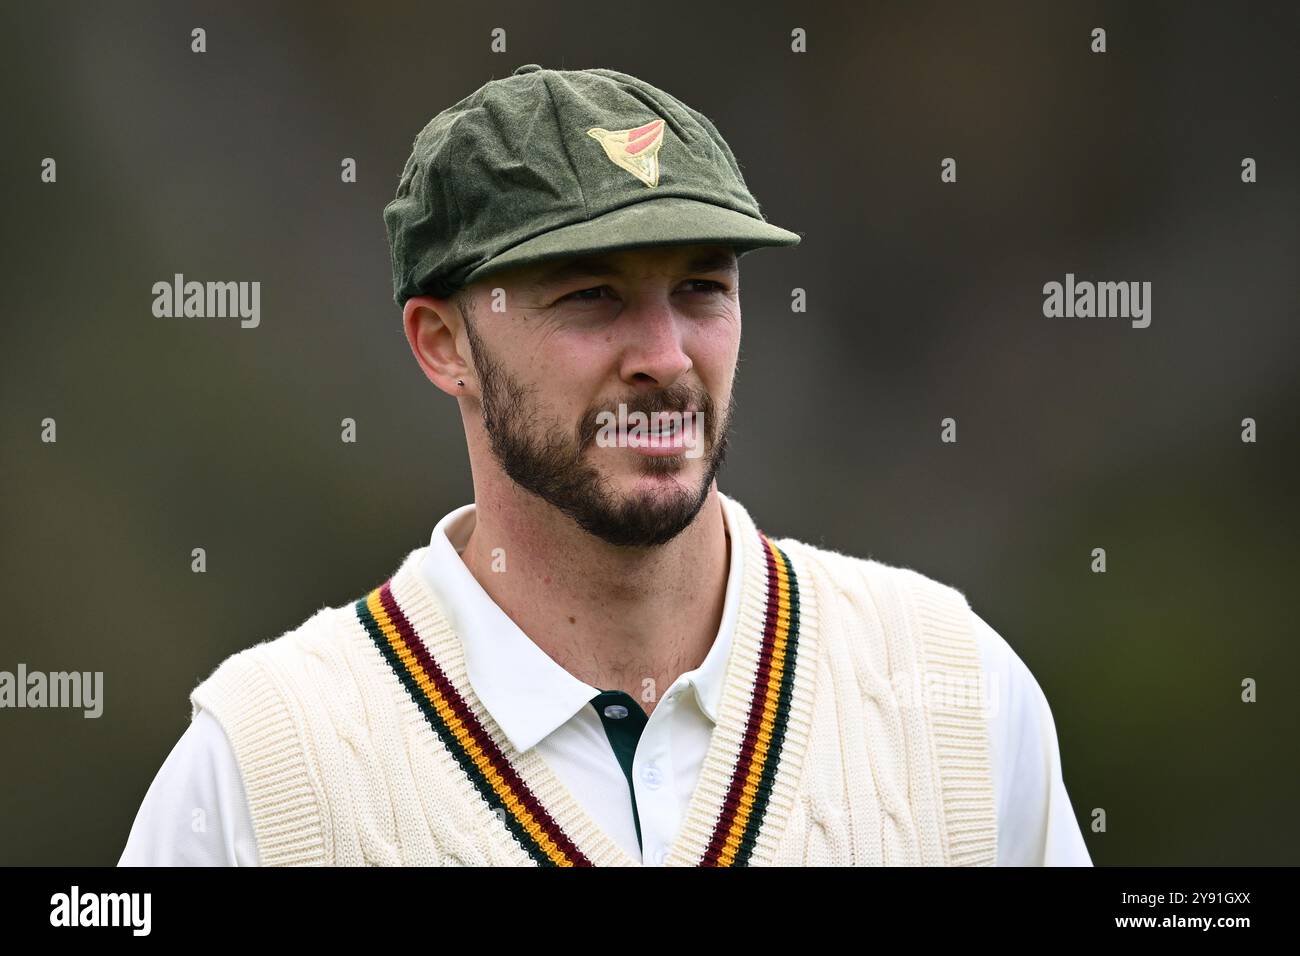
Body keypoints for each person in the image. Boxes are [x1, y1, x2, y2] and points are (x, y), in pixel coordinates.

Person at [118, 64, 1091, 866]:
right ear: (442, 341)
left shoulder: (953, 690)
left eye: (702, 287)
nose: (665, 355)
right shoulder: (262, 765)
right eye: (589, 295)